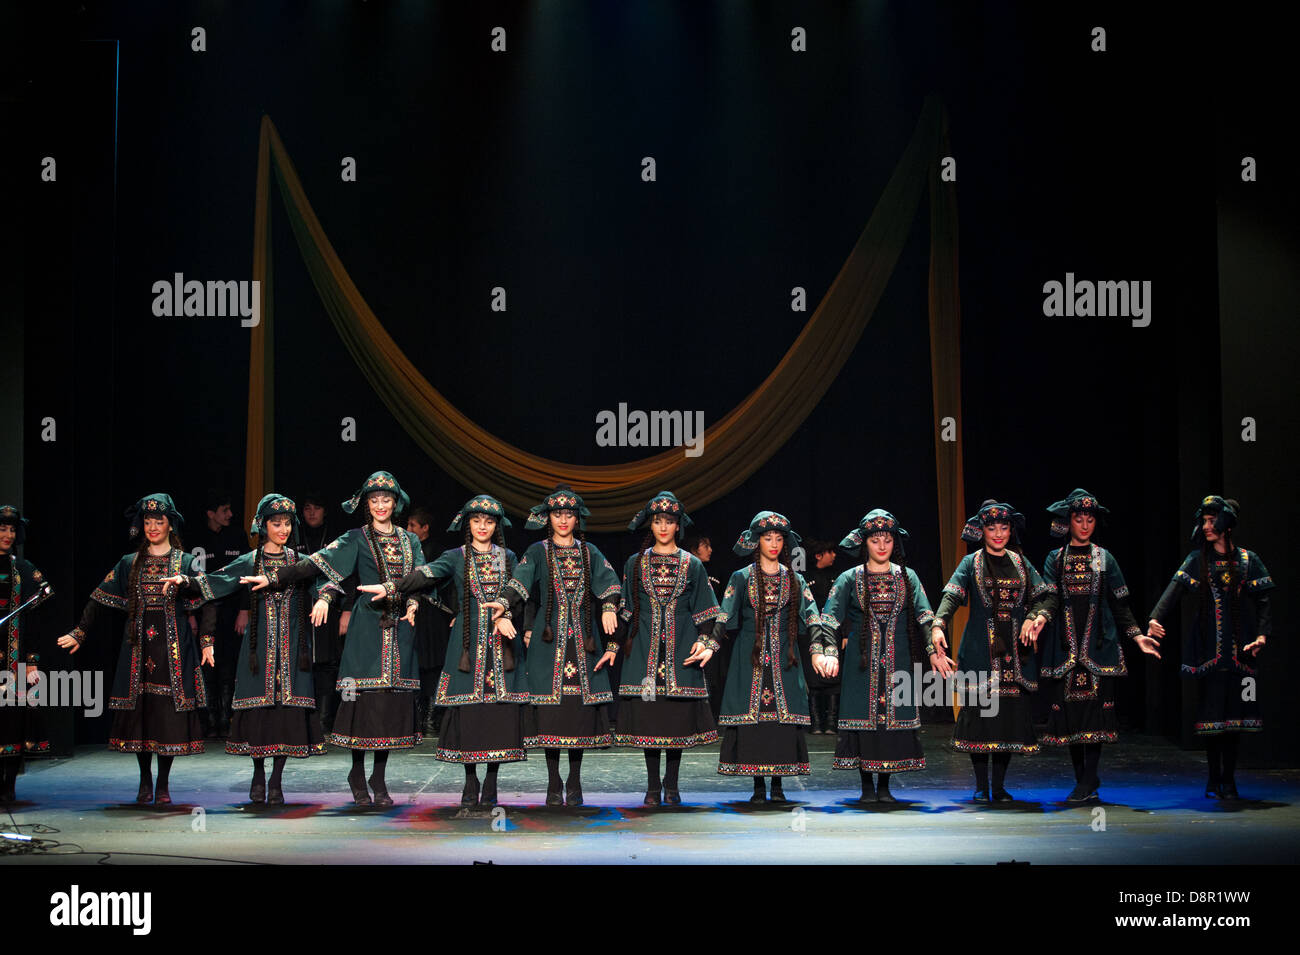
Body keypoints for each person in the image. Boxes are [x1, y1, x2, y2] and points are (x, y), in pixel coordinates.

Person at [243, 472, 422, 808]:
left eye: (386, 500)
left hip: (401, 630)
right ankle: (357, 771)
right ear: (366, 505)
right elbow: (316, 563)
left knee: (389, 707)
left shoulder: (410, 541)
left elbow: (420, 578)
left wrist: (412, 604)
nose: (381, 505)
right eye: (374, 500)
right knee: (364, 703)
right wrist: (277, 576)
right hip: (367, 628)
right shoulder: (355, 538)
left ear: (395, 503)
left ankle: (379, 778)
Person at [361, 495, 526, 808]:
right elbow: (426, 574)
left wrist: (505, 612)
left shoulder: (509, 556)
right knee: (469, 712)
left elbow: (518, 590)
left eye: (488, 521)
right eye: (476, 521)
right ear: (468, 524)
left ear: (496, 525)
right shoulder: (455, 556)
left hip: (501, 643)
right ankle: (470, 780)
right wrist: (392, 586)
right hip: (467, 645)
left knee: (498, 713)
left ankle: (491, 781)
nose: (482, 526)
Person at [165, 494, 327, 805]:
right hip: (259, 650)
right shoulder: (250, 560)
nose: (283, 529)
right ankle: (257, 774)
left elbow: (326, 581)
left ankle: (277, 781)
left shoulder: (299, 561)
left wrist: (325, 598)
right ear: (263, 526)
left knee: (286, 713)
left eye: (287, 524)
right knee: (259, 712)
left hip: (293, 649)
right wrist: (185, 579)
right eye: (275, 523)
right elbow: (215, 581)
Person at [57, 494, 214, 804]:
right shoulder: (130, 563)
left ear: (171, 524)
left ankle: (164, 783)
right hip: (139, 650)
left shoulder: (185, 562)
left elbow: (209, 597)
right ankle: (145, 782)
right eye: (147, 521)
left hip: (174, 650)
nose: (152, 526)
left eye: (159, 521)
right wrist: (80, 632)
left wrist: (207, 642)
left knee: (166, 716)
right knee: (143, 715)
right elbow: (99, 597)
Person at [485, 486, 621, 807]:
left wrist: (609, 606)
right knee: (551, 713)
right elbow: (520, 581)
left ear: (577, 519)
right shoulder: (537, 551)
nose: (563, 520)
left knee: (576, 714)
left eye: (569, 514)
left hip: (583, 643)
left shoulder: (590, 553)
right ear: (549, 518)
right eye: (557, 514)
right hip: (549, 643)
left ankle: (574, 779)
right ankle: (553, 780)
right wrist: (503, 603)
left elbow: (610, 583)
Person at [1147, 496, 1274, 800]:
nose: (1205, 526)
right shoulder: (1198, 559)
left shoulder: (1247, 560)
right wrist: (1154, 619)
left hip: (1241, 651)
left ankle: (1228, 779)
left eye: (1211, 520)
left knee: (1235, 717)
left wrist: (1262, 636)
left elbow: (1264, 599)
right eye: (1203, 521)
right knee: (1212, 717)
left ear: (1226, 523)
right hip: (1208, 650)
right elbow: (1173, 591)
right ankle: (1213, 776)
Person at [1037, 489, 1159, 802]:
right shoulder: (1056, 558)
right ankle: (1084, 780)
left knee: (1094, 718)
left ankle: (1088, 779)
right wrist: (1039, 618)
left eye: (1090, 519)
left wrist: (1136, 635)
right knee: (1072, 720)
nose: (1085, 525)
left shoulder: (1104, 558)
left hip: (1098, 649)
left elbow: (1120, 605)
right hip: (1065, 649)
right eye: (1079, 519)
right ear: (1069, 521)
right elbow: (1050, 597)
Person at [929, 500, 1051, 803]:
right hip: (980, 651)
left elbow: (1044, 596)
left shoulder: (1021, 563)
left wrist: (1035, 617)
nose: (998, 533)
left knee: (1007, 717)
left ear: (1011, 529)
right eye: (991, 527)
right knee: (982, 718)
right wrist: (938, 624)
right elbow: (952, 595)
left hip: (1015, 653)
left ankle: (999, 786)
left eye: (1004, 527)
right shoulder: (971, 563)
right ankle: (982, 786)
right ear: (981, 530)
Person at [816, 510, 932, 803]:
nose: (882, 546)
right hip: (861, 661)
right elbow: (828, 619)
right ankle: (867, 787)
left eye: (887, 540)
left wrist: (935, 647)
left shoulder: (908, 577)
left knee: (889, 723)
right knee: (864, 721)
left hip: (898, 659)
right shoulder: (848, 578)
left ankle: (885, 786)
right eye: (875, 540)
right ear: (864, 543)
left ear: (894, 543)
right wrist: (829, 652)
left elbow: (925, 616)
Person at [614, 492, 720, 805]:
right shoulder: (635, 563)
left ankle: (671, 785)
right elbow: (626, 609)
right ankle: (651, 786)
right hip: (645, 653)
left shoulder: (693, 564)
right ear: (651, 524)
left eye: (669, 521)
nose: (663, 526)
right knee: (651, 720)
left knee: (674, 721)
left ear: (678, 526)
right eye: (658, 521)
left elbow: (707, 611)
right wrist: (611, 644)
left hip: (680, 653)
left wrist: (705, 641)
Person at [710, 512, 824, 803]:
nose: (773, 543)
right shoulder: (741, 577)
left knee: (780, 723)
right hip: (750, 659)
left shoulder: (794, 579)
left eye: (778, 538)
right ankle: (758, 786)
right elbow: (724, 615)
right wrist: (710, 644)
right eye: (767, 538)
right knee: (755, 722)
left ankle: (778, 784)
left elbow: (812, 617)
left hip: (785, 659)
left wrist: (818, 651)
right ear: (756, 541)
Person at [0, 505, 53, 804]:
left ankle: (9, 785)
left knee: (11, 718)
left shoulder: (22, 569)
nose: (7, 535)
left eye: (11, 530)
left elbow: (36, 618)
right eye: (2, 529)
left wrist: (32, 661)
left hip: (15, 659)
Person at [188, 489, 249, 738]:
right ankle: (209, 720)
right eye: (225, 510)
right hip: (204, 613)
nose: (231, 514)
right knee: (206, 666)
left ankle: (226, 719)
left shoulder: (237, 536)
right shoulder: (195, 538)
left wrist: (244, 610)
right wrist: (190, 614)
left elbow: (246, 575)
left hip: (233, 611)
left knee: (228, 664)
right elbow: (190, 580)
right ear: (211, 513)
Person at [299, 493, 350, 736]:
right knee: (303, 662)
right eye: (307, 507)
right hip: (301, 608)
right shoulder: (294, 537)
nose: (311, 513)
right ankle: (305, 720)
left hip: (332, 608)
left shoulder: (336, 539)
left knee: (328, 664)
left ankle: (324, 720)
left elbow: (349, 575)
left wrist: (347, 609)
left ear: (324, 511)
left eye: (316, 507)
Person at [406, 505, 453, 738]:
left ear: (425, 528)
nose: (408, 529)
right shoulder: (407, 549)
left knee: (434, 665)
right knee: (418, 664)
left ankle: (435, 715)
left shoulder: (437, 551)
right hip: (414, 614)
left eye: (413, 525)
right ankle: (419, 718)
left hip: (433, 617)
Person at [802, 539, 841, 734]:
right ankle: (816, 723)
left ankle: (832, 723)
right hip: (811, 633)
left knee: (834, 676)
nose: (834, 555)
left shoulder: (839, 577)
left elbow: (844, 606)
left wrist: (846, 633)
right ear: (819, 555)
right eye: (829, 552)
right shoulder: (805, 578)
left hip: (835, 631)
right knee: (814, 677)